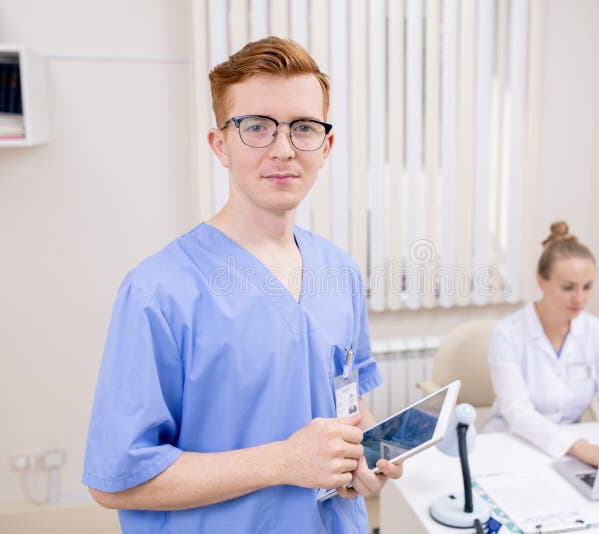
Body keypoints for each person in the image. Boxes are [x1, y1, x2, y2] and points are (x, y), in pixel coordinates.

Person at [82, 37, 402, 533]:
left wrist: (363, 463)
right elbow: (115, 481)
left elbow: (350, 400)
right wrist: (283, 462)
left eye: (303, 128)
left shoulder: (339, 271)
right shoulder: (159, 292)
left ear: (326, 145)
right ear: (220, 145)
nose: (283, 149)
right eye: (256, 127)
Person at [483, 222, 599, 466]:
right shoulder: (507, 334)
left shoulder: (596, 331)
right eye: (568, 287)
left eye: (587, 287)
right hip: (512, 444)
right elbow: (519, 413)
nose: (580, 298)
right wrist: (579, 448)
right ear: (541, 281)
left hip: (569, 450)